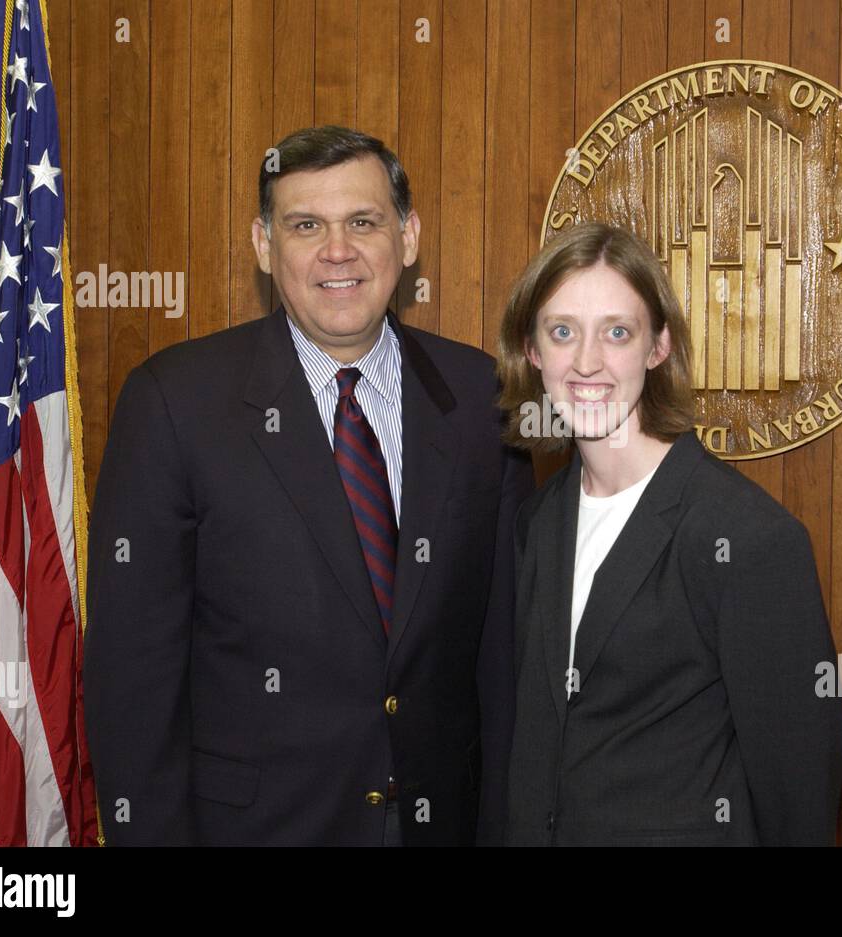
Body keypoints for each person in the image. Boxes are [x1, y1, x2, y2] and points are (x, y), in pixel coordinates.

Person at [84, 126, 533, 846]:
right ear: (265, 245)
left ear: (408, 237)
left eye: (363, 221)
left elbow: (503, 663)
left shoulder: (483, 397)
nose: (337, 251)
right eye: (305, 226)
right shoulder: (174, 403)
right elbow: (131, 686)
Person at [497, 222, 842, 845]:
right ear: (532, 351)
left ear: (657, 347)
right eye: (562, 332)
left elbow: (799, 787)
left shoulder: (748, 536)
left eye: (617, 332)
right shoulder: (539, 519)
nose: (586, 362)